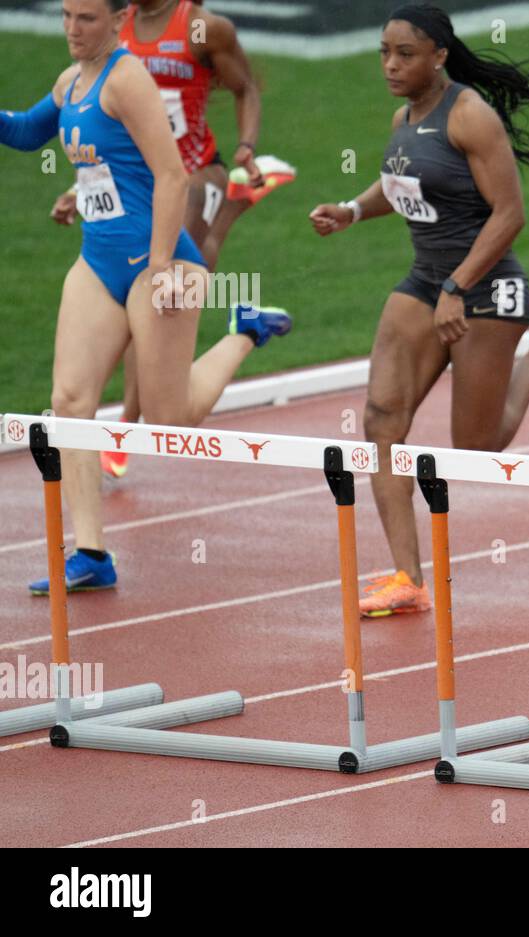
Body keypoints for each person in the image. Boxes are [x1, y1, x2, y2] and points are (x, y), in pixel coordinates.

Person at [1, 0, 291, 595]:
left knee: (168, 420)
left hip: (160, 265)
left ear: (116, 20)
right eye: (66, 16)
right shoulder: (71, 81)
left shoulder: (127, 79)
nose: (72, 29)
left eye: (86, 18)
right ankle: (91, 554)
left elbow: (172, 175)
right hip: (98, 261)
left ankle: (245, 330)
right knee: (69, 401)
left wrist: (161, 269)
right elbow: (29, 132)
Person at [309, 3, 529, 618]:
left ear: (438, 55)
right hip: (425, 282)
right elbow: (401, 184)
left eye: (404, 54)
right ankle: (407, 578)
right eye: (384, 53)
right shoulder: (404, 116)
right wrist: (351, 210)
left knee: (475, 449)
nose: (390, 64)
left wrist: (459, 287)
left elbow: (510, 214)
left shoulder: (470, 116)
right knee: (381, 420)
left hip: (486, 288)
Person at [48, 0, 295, 479]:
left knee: (161, 291)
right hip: (138, 182)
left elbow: (245, 87)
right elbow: (100, 129)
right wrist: (80, 189)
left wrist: (246, 147)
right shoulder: (114, 27)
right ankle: (237, 222)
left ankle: (126, 423)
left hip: (190, 172)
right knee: (153, 296)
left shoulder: (201, 28)